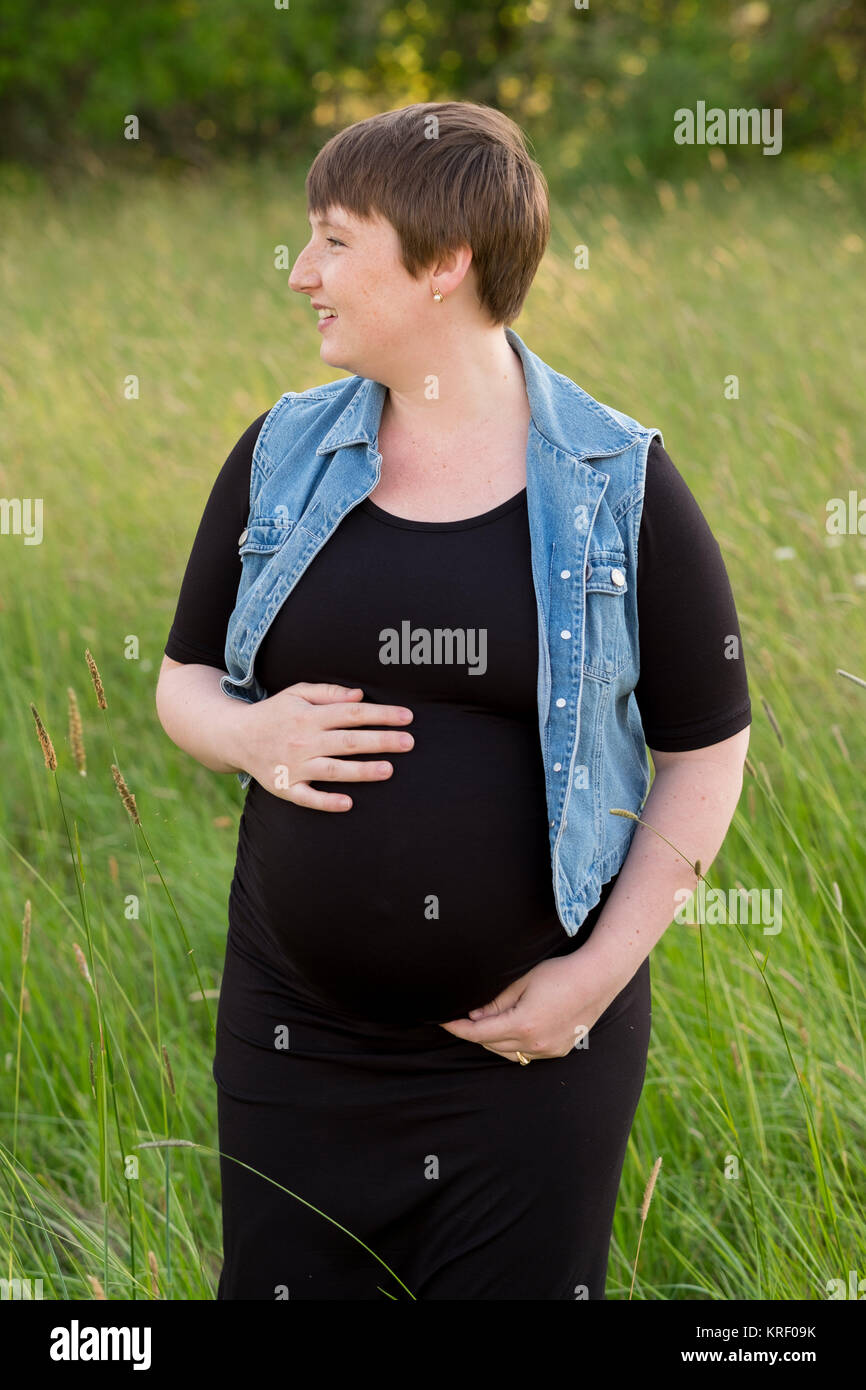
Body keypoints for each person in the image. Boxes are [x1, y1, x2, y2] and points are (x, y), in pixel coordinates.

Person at [155, 100, 751, 1301]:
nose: (298, 273)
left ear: (441, 264)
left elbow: (705, 750)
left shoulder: (615, 480)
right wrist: (250, 732)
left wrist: (589, 983)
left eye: (332, 241)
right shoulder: (278, 453)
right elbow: (182, 683)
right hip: (296, 1040)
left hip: (531, 1055)